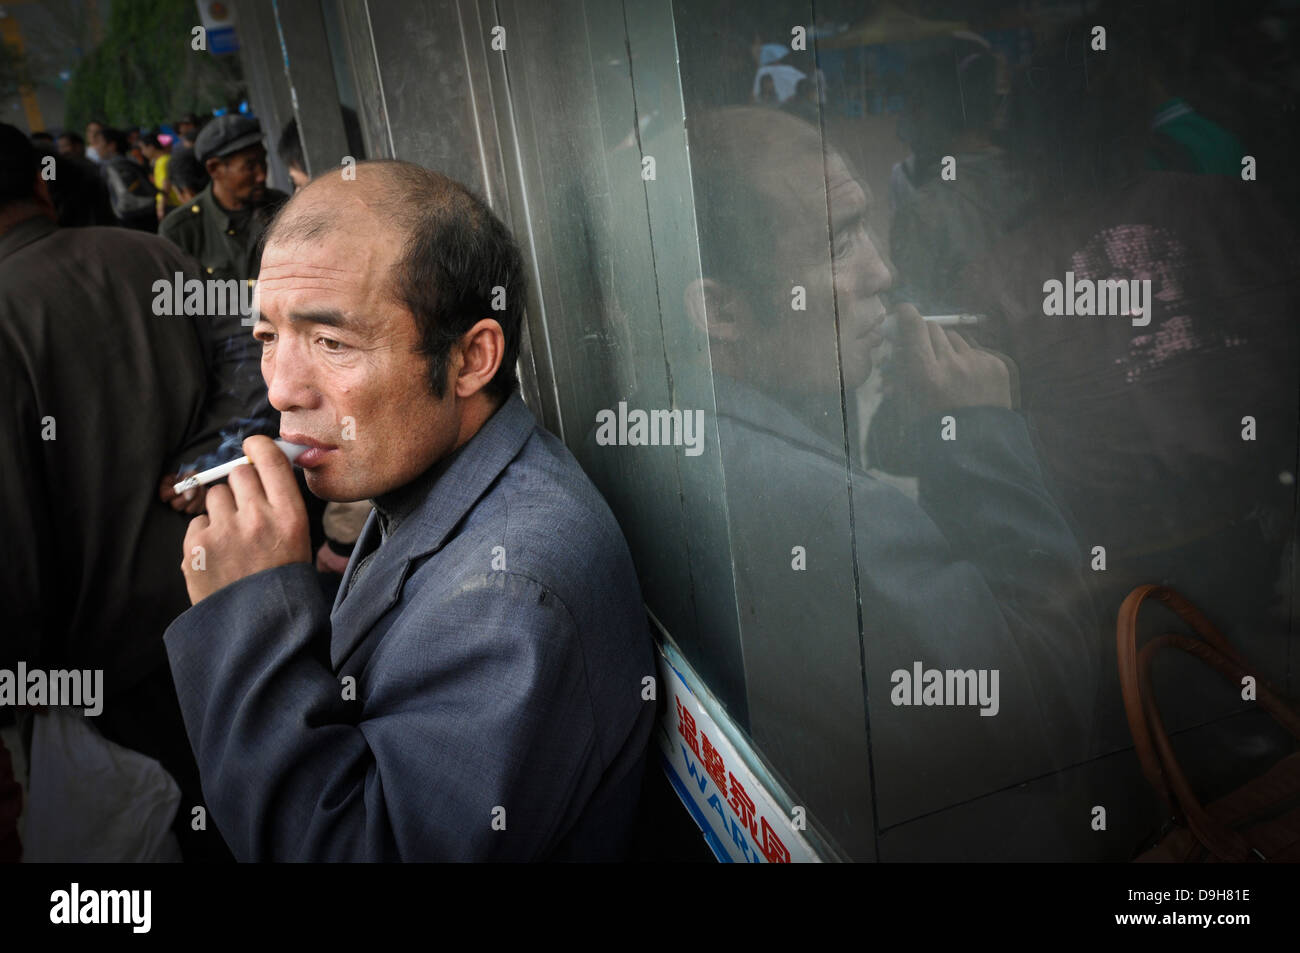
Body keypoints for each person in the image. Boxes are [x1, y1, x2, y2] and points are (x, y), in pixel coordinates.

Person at [162, 160, 656, 861]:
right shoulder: (434, 477)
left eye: (331, 342)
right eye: (270, 337)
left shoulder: (512, 593)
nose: (280, 391)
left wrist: (249, 612)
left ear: (470, 359)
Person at [679, 107, 1096, 852]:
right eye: (840, 242)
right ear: (720, 309)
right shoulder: (829, 515)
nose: (884, 272)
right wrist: (980, 429)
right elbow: (1051, 703)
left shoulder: (684, 431)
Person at [0, 122, 238, 860]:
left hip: (107, 687)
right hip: (235, 610)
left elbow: (14, 563)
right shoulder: (155, 253)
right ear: (42, 184)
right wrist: (211, 454)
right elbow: (250, 371)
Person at [97, 126, 158, 231]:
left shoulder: (112, 166)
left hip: (131, 222)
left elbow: (122, 200)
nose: (96, 147)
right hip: (149, 214)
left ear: (111, 145)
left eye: (99, 142)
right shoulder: (129, 161)